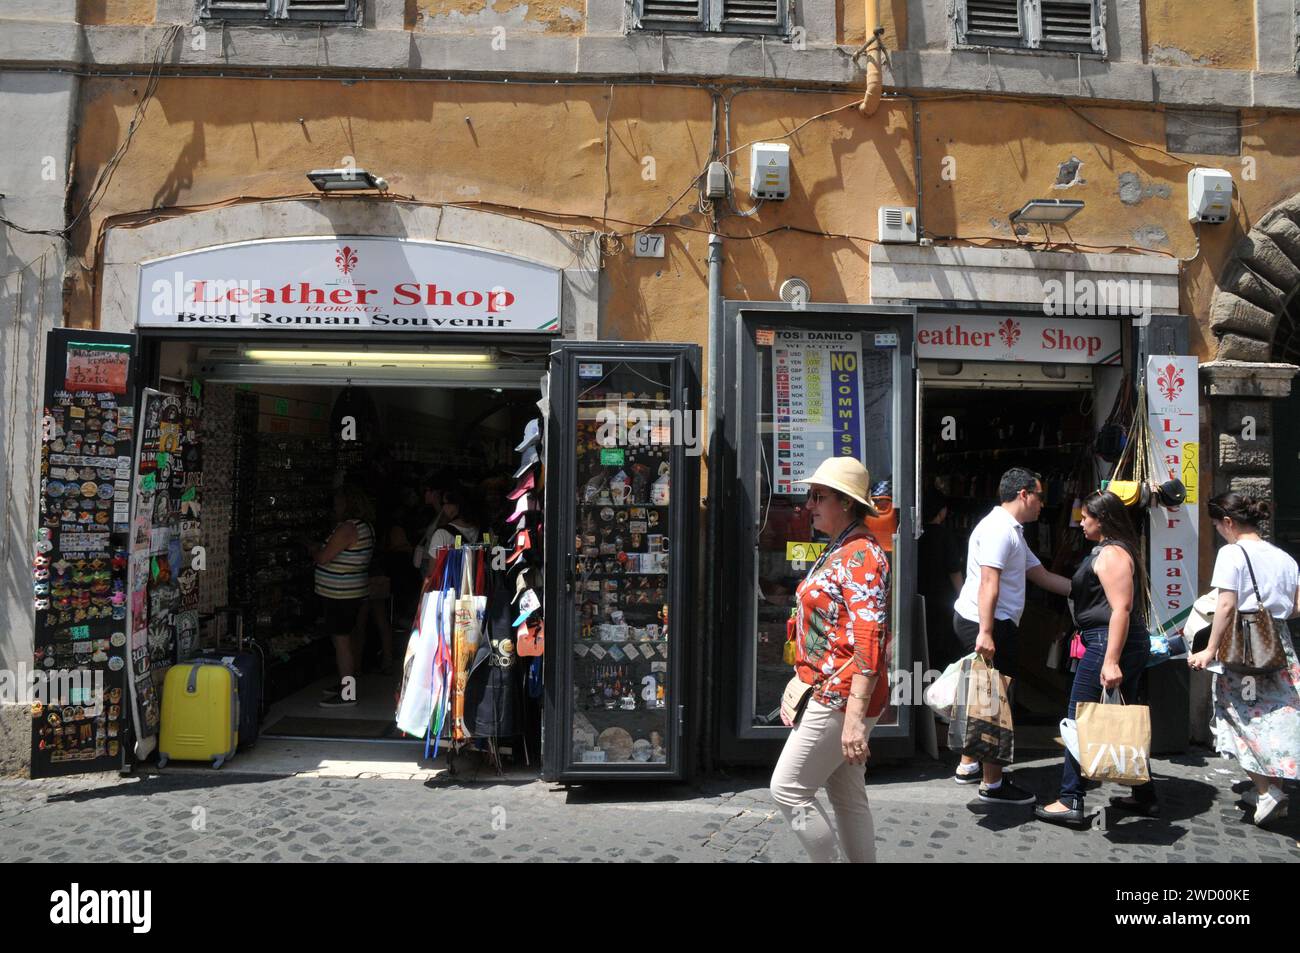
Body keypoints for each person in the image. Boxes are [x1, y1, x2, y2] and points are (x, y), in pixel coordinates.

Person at [771, 457, 891, 863]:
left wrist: (855, 718)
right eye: (811, 495)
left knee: (787, 789)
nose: (809, 504)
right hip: (835, 689)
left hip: (839, 694)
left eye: (818, 496)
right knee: (848, 795)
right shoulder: (843, 547)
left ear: (846, 502)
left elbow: (869, 640)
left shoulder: (862, 555)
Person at [1036, 490, 1156, 826]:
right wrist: (1034, 571)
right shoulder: (1107, 551)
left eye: (1086, 516)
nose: (1081, 521)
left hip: (1109, 643)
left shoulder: (1112, 554)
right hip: (1112, 642)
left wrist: (1111, 660)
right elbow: (1081, 592)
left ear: (1102, 519)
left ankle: (1070, 799)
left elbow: (1121, 608)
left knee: (1079, 718)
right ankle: (1145, 796)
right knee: (1122, 714)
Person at [952, 466, 1071, 802]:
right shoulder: (1000, 531)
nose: (1042, 504)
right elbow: (990, 582)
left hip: (984, 621)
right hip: (987, 623)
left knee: (981, 695)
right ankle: (993, 784)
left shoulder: (1011, 531)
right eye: (1039, 496)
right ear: (1024, 494)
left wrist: (1087, 590)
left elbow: (1042, 576)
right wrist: (987, 633)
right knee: (995, 703)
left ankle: (968, 764)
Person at [1188, 492, 1300, 827]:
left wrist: (1209, 649)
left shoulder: (1232, 553)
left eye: (1217, 526)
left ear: (1228, 522)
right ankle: (1267, 786)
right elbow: (1297, 607)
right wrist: (1271, 617)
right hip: (1278, 645)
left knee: (1237, 714)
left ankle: (1267, 791)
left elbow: (1225, 605)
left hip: (1242, 645)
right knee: (1275, 715)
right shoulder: (1284, 558)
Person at [308, 484, 376, 708]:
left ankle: (348, 694)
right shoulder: (365, 527)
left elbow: (324, 557)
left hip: (340, 594)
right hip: (352, 591)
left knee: (342, 642)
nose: (335, 507)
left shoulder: (348, 528)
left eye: (338, 503)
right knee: (345, 639)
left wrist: (313, 550)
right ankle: (347, 684)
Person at [918, 486, 964, 669]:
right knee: (943, 652)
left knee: (924, 646)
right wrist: (964, 598)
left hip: (920, 599)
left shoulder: (915, 535)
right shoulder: (945, 536)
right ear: (941, 511)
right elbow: (955, 572)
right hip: (943, 602)